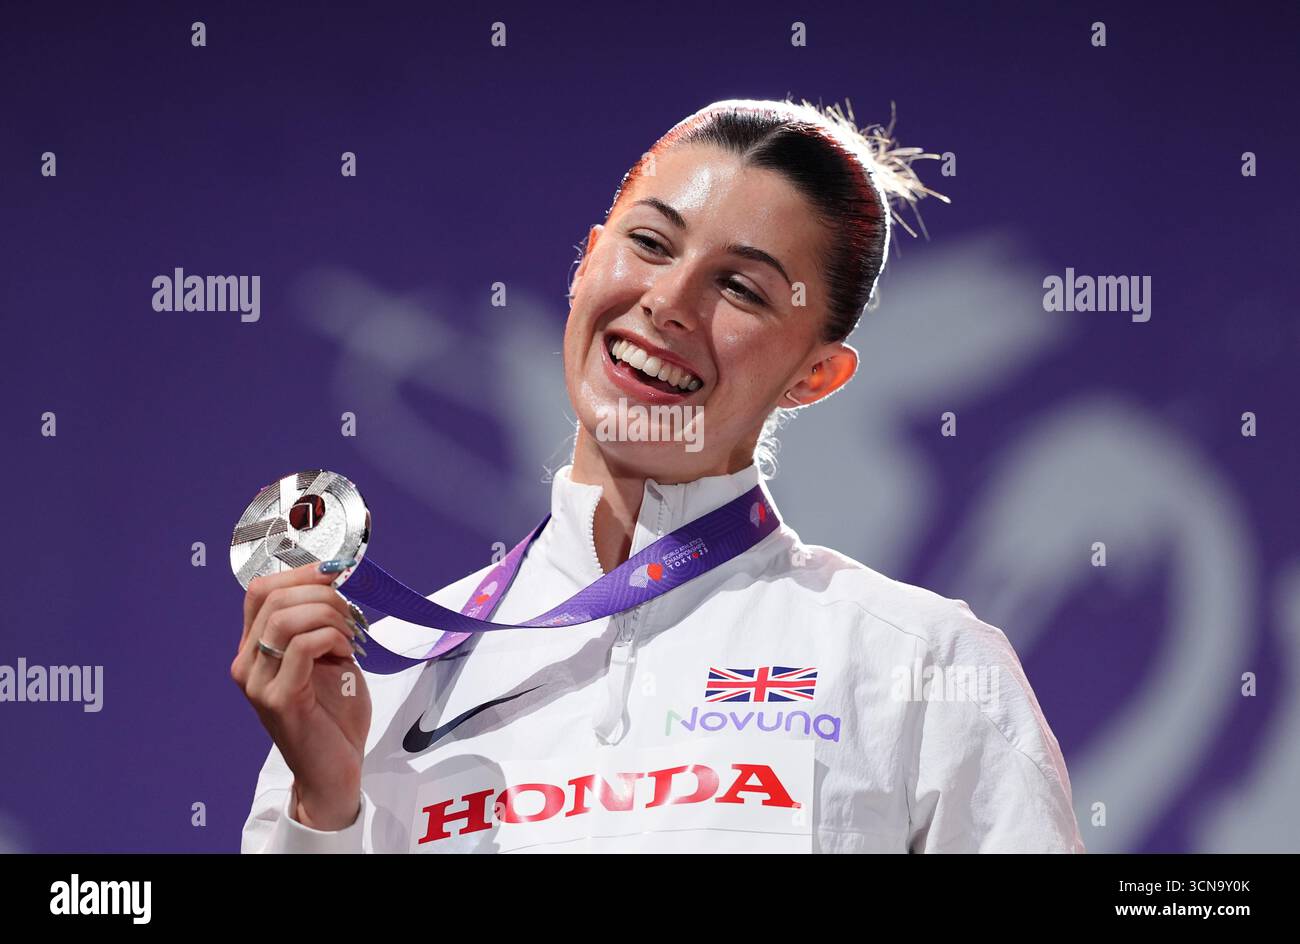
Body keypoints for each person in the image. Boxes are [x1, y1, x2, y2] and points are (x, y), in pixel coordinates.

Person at [233, 96, 1086, 853]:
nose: (669, 303)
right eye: (649, 243)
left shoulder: (918, 662)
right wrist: (323, 812)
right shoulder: (382, 682)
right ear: (586, 262)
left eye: (741, 288)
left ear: (816, 376)